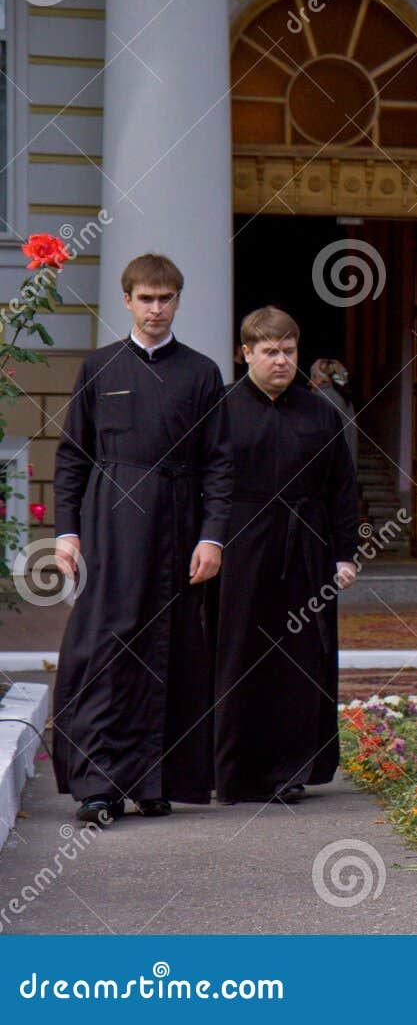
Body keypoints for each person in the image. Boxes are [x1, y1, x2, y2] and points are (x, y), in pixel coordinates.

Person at [51, 253, 232, 825]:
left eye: (167, 297)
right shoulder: (99, 368)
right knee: (105, 647)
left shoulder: (202, 373)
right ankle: (98, 783)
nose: (156, 308)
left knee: (173, 647)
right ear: (126, 301)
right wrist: (66, 532)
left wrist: (213, 537)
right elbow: (72, 457)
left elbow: (220, 466)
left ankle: (157, 779)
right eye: (146, 298)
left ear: (178, 300)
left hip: (179, 528)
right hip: (111, 524)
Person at [214, 307, 359, 805]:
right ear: (246, 353)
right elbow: (204, 485)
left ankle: (291, 769)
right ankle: (232, 771)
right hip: (240, 545)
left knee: (301, 658)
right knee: (238, 654)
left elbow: (343, 488)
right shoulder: (222, 409)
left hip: (307, 548)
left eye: (289, 351)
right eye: (270, 351)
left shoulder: (320, 412)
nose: (281, 361)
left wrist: (345, 554)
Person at [309, 357, 359, 466]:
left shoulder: (319, 398)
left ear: (321, 379)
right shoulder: (345, 399)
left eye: (312, 377)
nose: (309, 382)